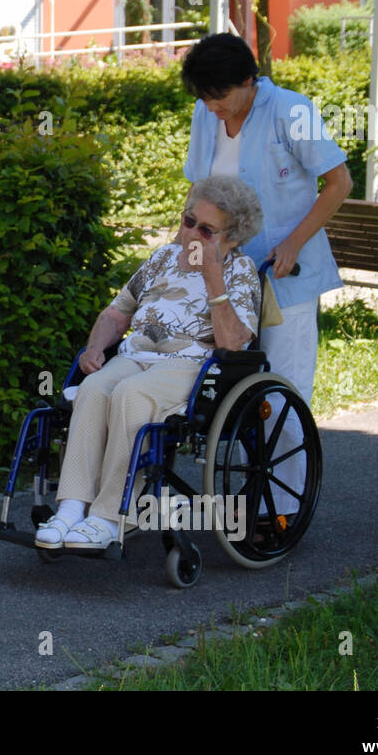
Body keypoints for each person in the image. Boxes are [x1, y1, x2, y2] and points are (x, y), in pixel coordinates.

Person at [36, 177, 263, 550]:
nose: (190, 233)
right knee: (92, 389)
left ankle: (110, 516)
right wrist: (95, 347)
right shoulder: (160, 259)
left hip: (192, 364)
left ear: (232, 238)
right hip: (135, 354)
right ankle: (72, 508)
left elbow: (233, 343)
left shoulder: (240, 271)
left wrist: (213, 276)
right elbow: (115, 314)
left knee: (131, 394)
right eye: (188, 220)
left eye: (205, 230)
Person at [181, 34, 351, 515]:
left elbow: (339, 182)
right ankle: (244, 499)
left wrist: (294, 242)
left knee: (281, 391)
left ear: (249, 82)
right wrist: (185, 251)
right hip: (226, 277)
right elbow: (198, 191)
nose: (212, 107)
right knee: (230, 393)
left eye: (219, 96)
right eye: (203, 97)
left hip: (286, 274)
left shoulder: (290, 110)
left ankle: (281, 510)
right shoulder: (205, 115)